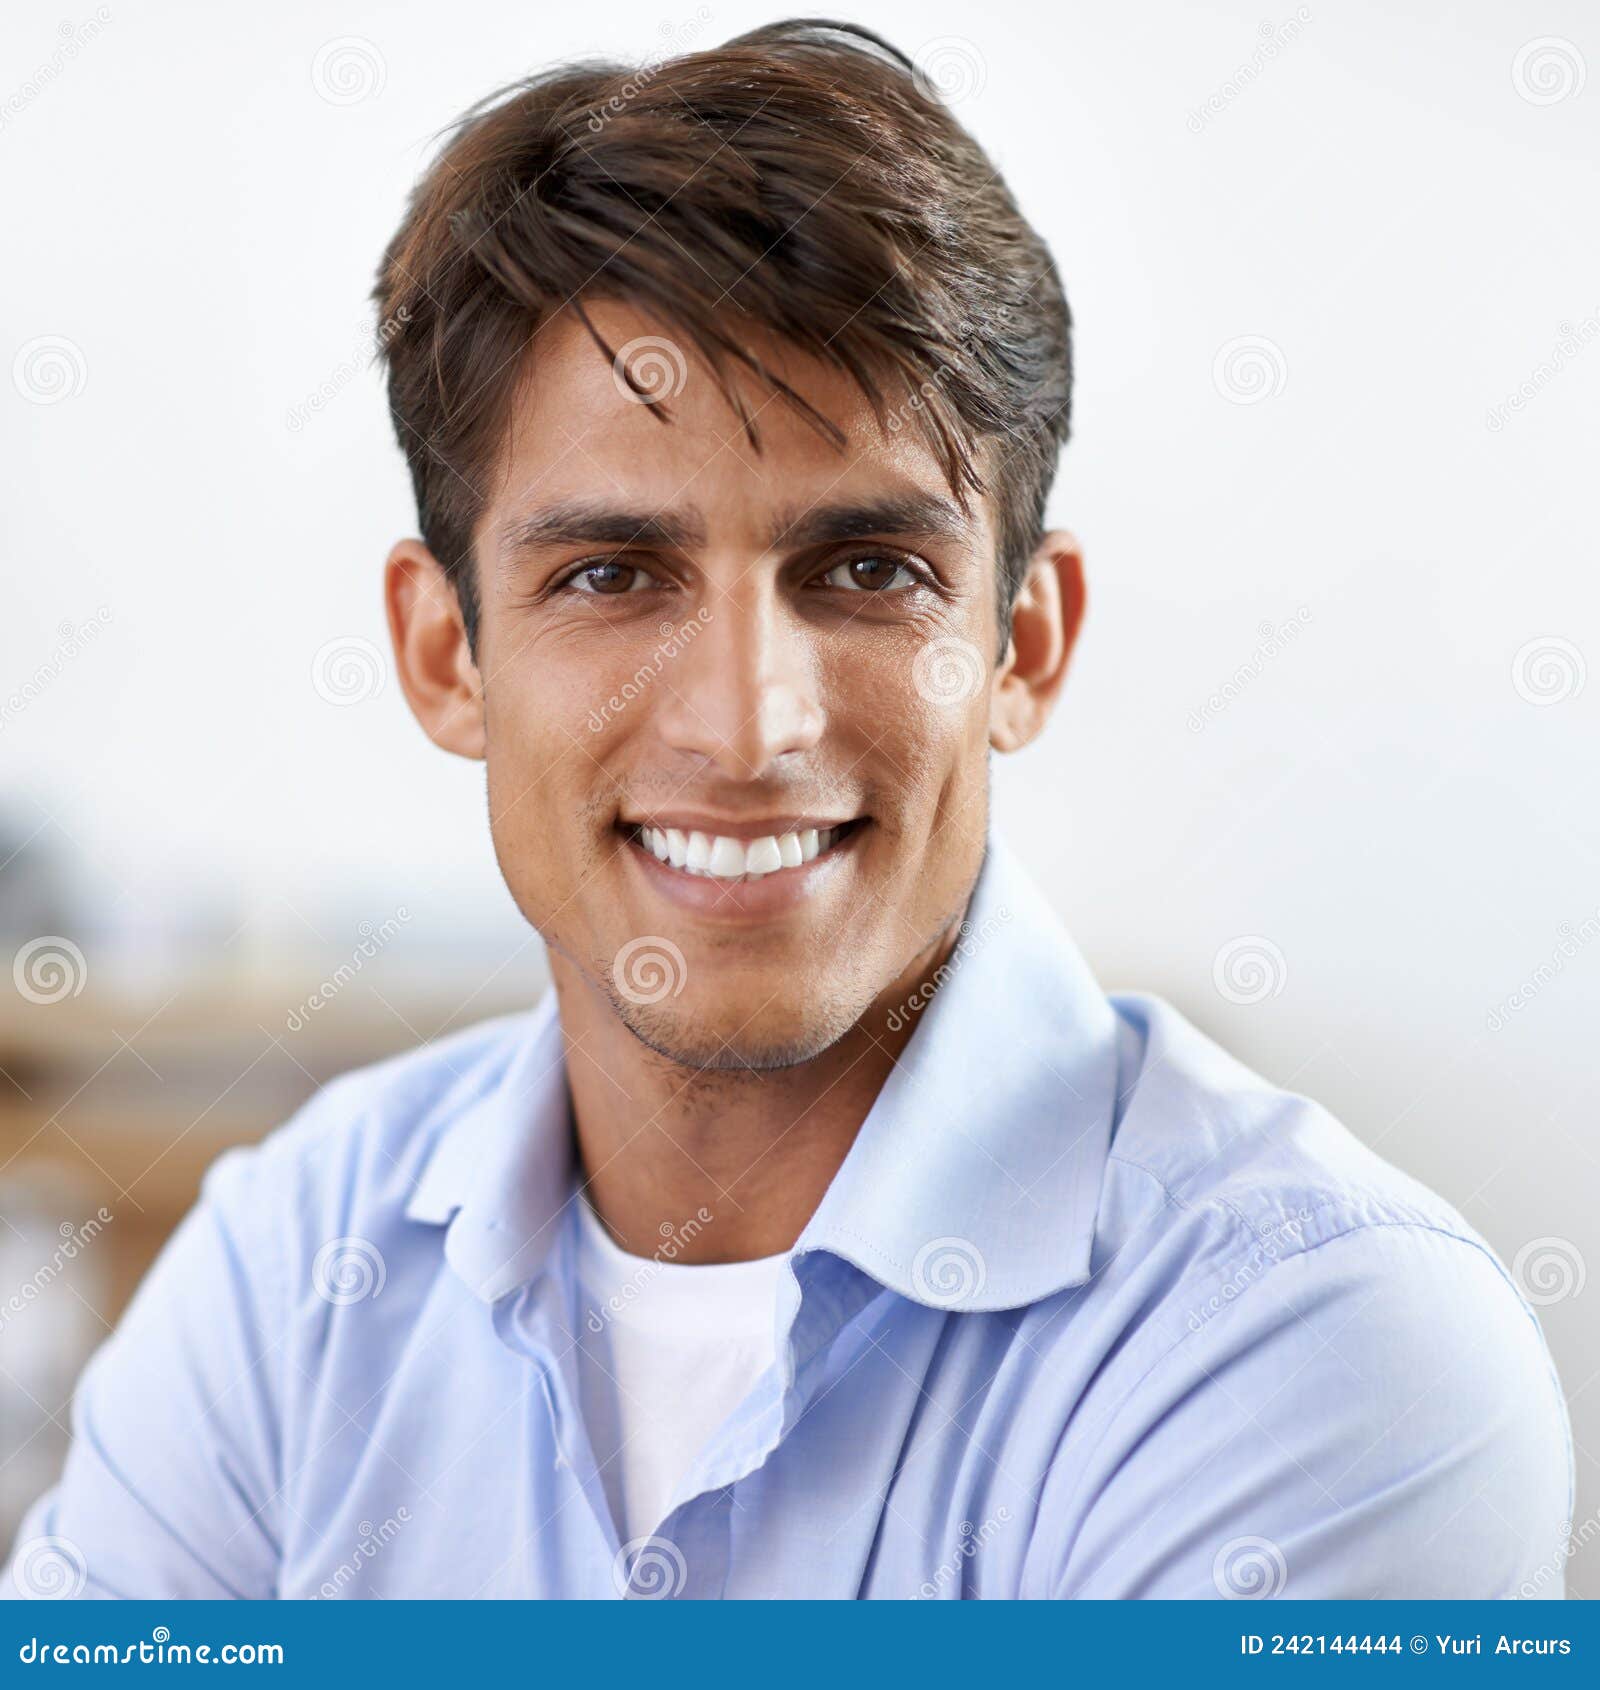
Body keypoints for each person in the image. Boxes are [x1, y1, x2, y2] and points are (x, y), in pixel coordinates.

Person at [4, 19, 1570, 1601]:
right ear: (444, 654)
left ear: (1023, 644)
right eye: (612, 575)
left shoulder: (1323, 1344)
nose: (747, 726)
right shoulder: (289, 1275)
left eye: (868, 570)